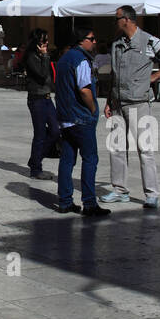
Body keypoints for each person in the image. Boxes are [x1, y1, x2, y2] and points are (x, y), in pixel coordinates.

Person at [100, 5, 160, 210]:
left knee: (144, 149)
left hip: (138, 102)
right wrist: (109, 101)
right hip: (118, 101)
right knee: (117, 148)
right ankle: (119, 190)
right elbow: (114, 75)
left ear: (126, 19)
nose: (115, 23)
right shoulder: (116, 43)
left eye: (116, 18)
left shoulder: (148, 40)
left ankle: (152, 194)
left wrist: (156, 75)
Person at [55, 25, 107, 216]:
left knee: (67, 159)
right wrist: (93, 109)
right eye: (92, 39)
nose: (94, 42)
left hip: (65, 117)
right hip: (80, 118)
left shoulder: (64, 59)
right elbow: (84, 89)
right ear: (81, 40)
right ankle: (90, 203)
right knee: (90, 159)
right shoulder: (81, 60)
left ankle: (65, 201)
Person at [18, 28, 59, 178]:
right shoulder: (31, 57)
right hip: (36, 99)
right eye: (44, 40)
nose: (47, 43)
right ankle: (36, 168)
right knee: (40, 134)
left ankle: (35, 159)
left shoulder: (41, 56)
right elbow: (42, 75)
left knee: (55, 130)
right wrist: (45, 56)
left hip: (47, 98)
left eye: (47, 40)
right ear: (36, 42)